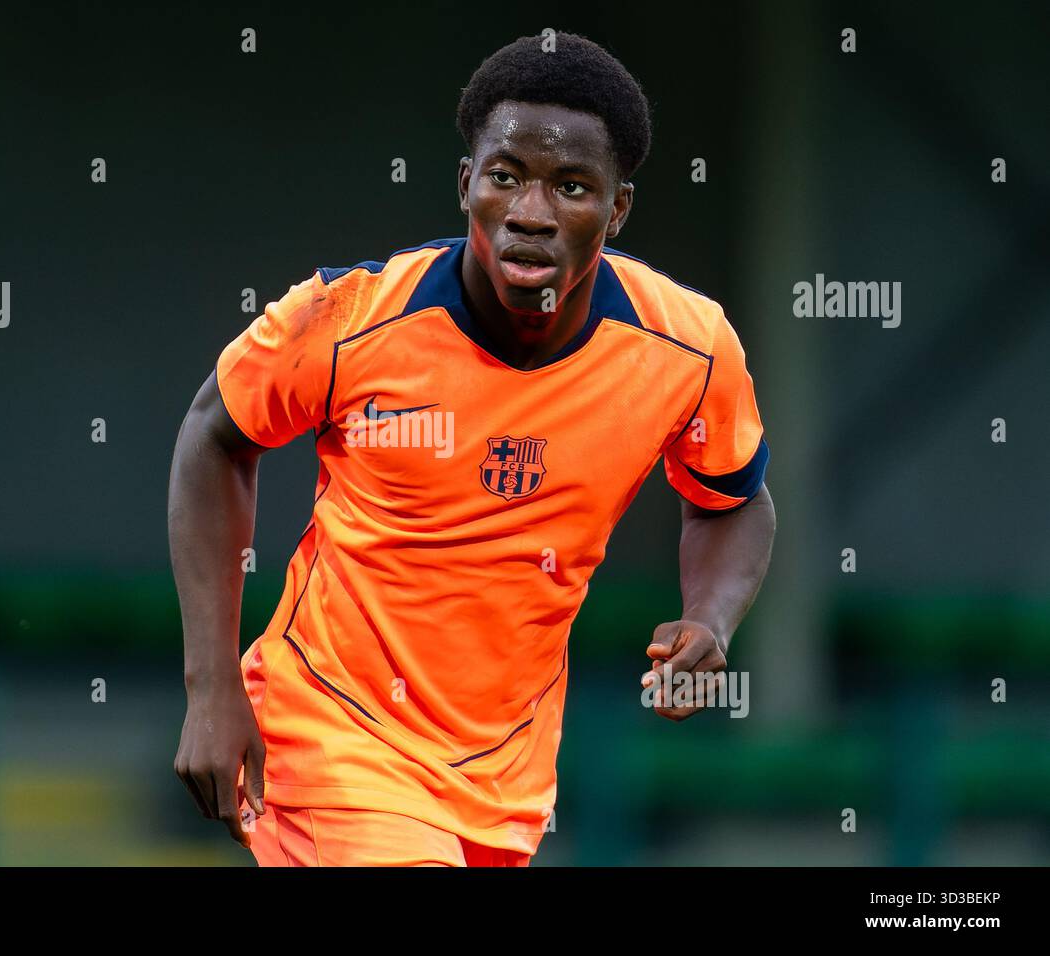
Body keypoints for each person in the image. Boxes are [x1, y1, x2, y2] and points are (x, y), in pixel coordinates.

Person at [168, 31, 776, 867]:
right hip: (331, 737)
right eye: (506, 176)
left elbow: (732, 499)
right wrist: (212, 687)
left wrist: (710, 617)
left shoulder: (688, 349)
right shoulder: (352, 320)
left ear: (618, 207)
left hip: (504, 780)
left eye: (570, 186)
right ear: (466, 186)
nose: (531, 212)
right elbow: (214, 434)